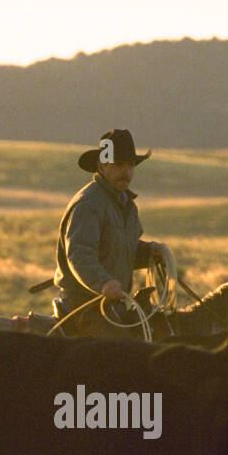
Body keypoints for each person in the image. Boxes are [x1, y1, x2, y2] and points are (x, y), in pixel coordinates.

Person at [52, 128, 164, 320]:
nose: (126, 172)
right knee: (118, 348)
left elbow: (122, 252)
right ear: (101, 166)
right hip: (84, 306)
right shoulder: (88, 205)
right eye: (119, 164)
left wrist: (150, 253)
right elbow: (80, 255)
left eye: (131, 166)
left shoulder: (127, 206)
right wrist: (103, 283)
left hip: (113, 305)